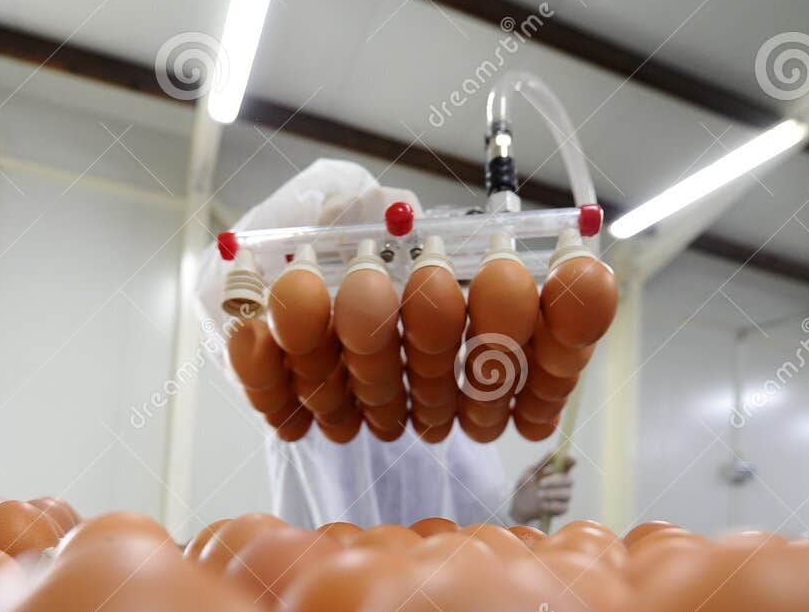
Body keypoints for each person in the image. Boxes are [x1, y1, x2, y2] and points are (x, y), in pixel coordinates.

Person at [196, 160, 575, 529]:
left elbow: (471, 516)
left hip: (433, 590)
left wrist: (516, 503)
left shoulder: (447, 387)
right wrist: (324, 215)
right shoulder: (304, 365)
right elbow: (216, 291)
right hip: (318, 587)